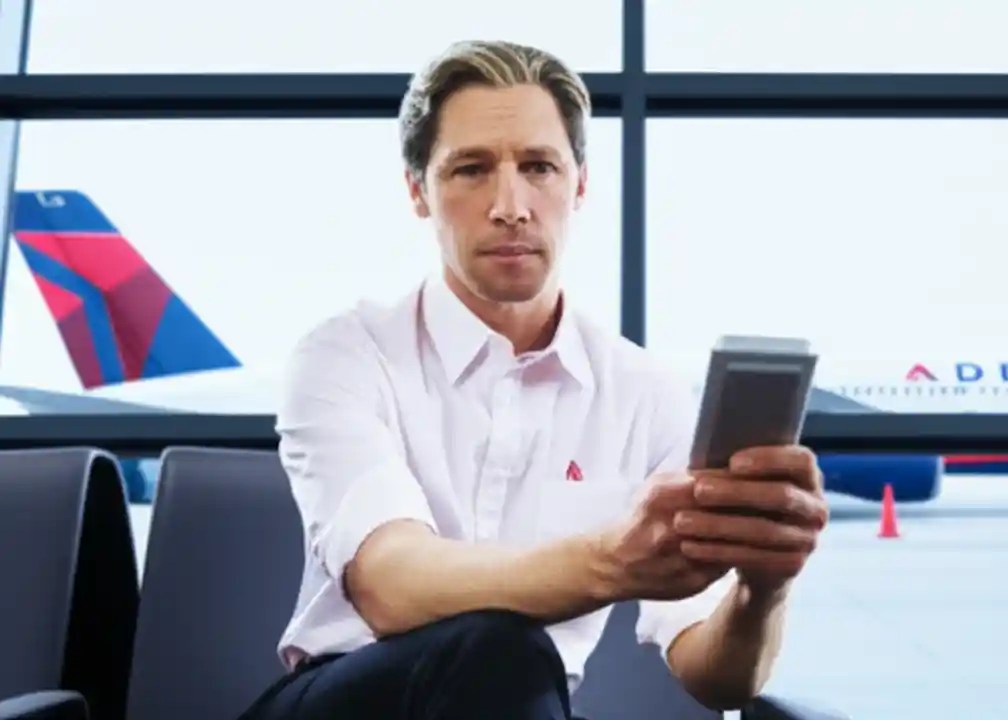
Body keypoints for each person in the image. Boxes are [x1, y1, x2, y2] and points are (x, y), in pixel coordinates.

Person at [238, 39, 830, 720]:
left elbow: (716, 679)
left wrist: (763, 589)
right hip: (343, 699)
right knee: (500, 647)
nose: (510, 205)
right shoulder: (347, 353)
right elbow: (391, 585)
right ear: (418, 191)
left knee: (508, 661)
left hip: (522, 704)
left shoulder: (644, 394)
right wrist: (610, 561)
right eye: (471, 169)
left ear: (580, 185)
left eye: (539, 167)